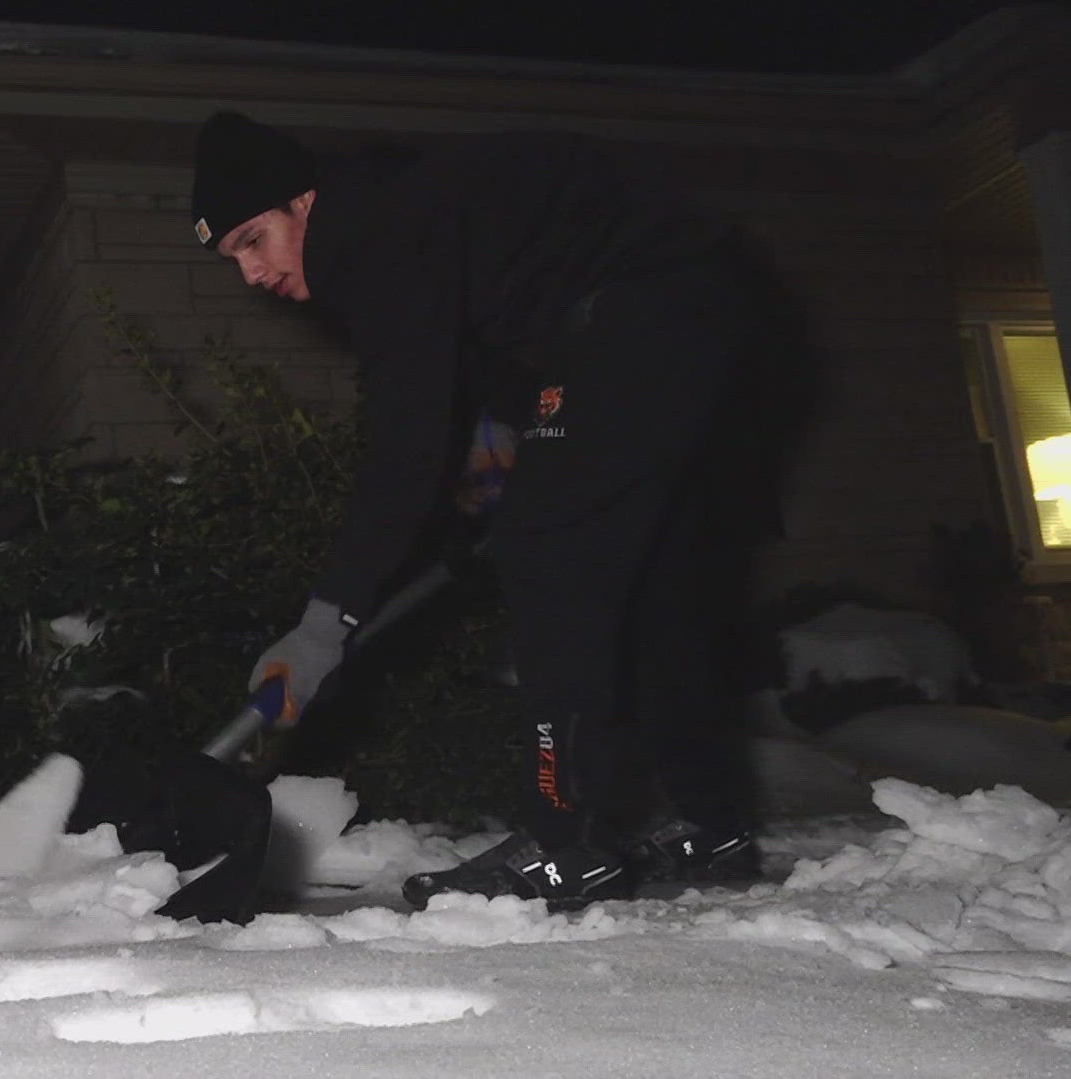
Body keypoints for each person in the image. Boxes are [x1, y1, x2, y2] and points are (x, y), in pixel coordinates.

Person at [191, 110, 776, 911]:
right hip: (685, 321)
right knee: (645, 577)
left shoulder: (378, 233)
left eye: (253, 239)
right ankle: (713, 826)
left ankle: (566, 845)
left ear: (304, 201)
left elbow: (406, 440)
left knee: (552, 556)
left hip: (639, 317)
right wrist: (508, 469)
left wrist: (327, 619)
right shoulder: (418, 213)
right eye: (233, 257)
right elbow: (486, 366)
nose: (251, 273)